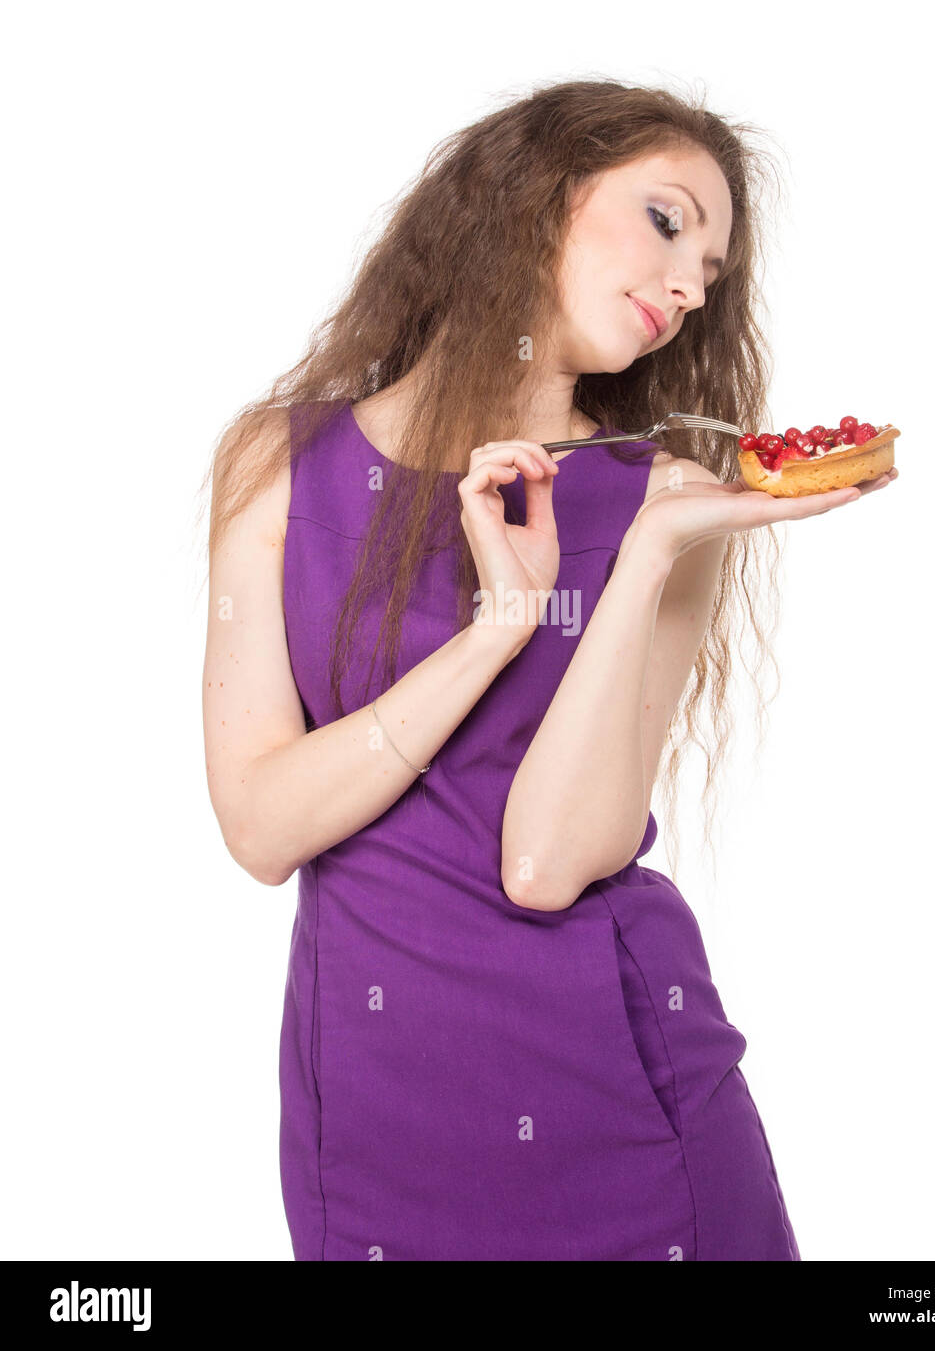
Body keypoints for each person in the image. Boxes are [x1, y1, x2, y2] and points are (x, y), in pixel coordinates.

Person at [201, 79, 895, 1261]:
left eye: (713, 274)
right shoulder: (282, 464)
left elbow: (547, 862)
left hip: (629, 1095)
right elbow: (263, 828)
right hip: (370, 1122)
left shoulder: (664, 503)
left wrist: (649, 555)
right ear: (535, 196)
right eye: (668, 222)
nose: (687, 287)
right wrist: (496, 627)